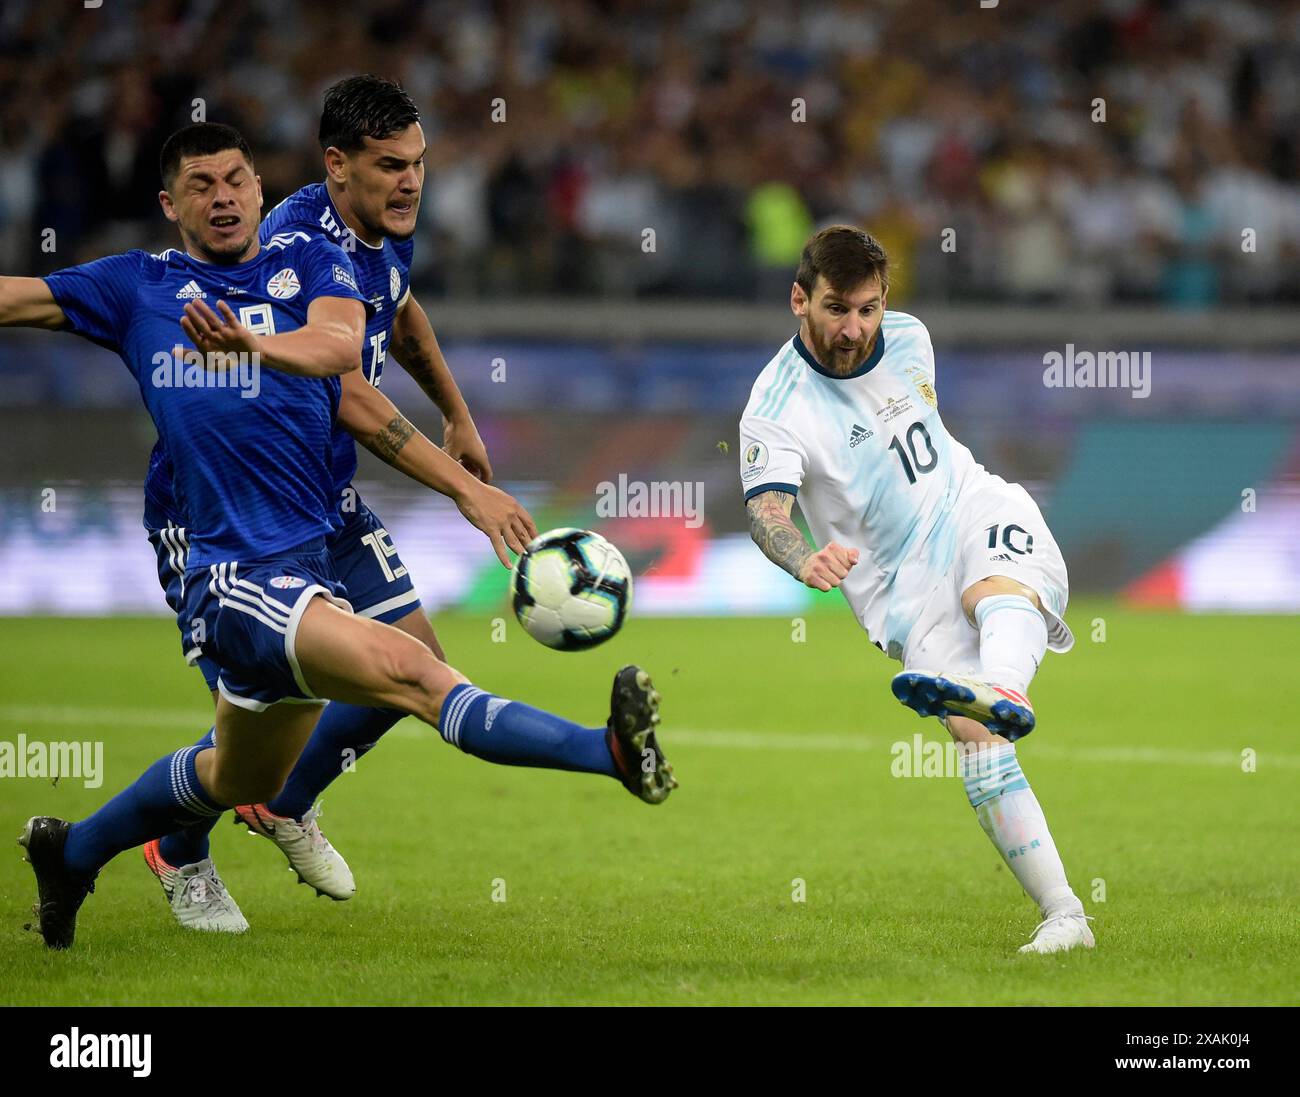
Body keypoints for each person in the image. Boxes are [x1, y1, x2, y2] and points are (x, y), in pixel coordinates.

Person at [2, 122, 676, 951]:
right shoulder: (137, 286)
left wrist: (255, 345)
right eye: (202, 185)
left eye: (237, 180)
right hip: (233, 565)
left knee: (238, 771)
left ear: (259, 188)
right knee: (414, 673)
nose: (223, 198)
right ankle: (609, 751)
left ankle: (72, 850)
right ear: (169, 204)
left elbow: (337, 345)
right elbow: (16, 297)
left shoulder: (311, 261)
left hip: (320, 527)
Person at [142, 76, 531, 930]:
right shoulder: (292, 242)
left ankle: (285, 803)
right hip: (225, 508)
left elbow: (404, 312)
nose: (412, 182)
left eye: (420, 164)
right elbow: (350, 393)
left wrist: (459, 414)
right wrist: (468, 490)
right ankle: (178, 847)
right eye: (391, 165)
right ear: (336, 165)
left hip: (319, 495)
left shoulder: (380, 231)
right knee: (257, 713)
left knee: (410, 658)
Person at [739, 225, 1091, 955]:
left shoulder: (909, 338)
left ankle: (1004, 684)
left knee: (992, 590)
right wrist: (803, 559)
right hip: (898, 589)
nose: (854, 328)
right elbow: (767, 511)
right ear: (798, 299)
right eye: (837, 308)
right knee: (977, 740)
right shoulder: (775, 407)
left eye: (868, 308)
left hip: (969, 505)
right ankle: (1067, 917)